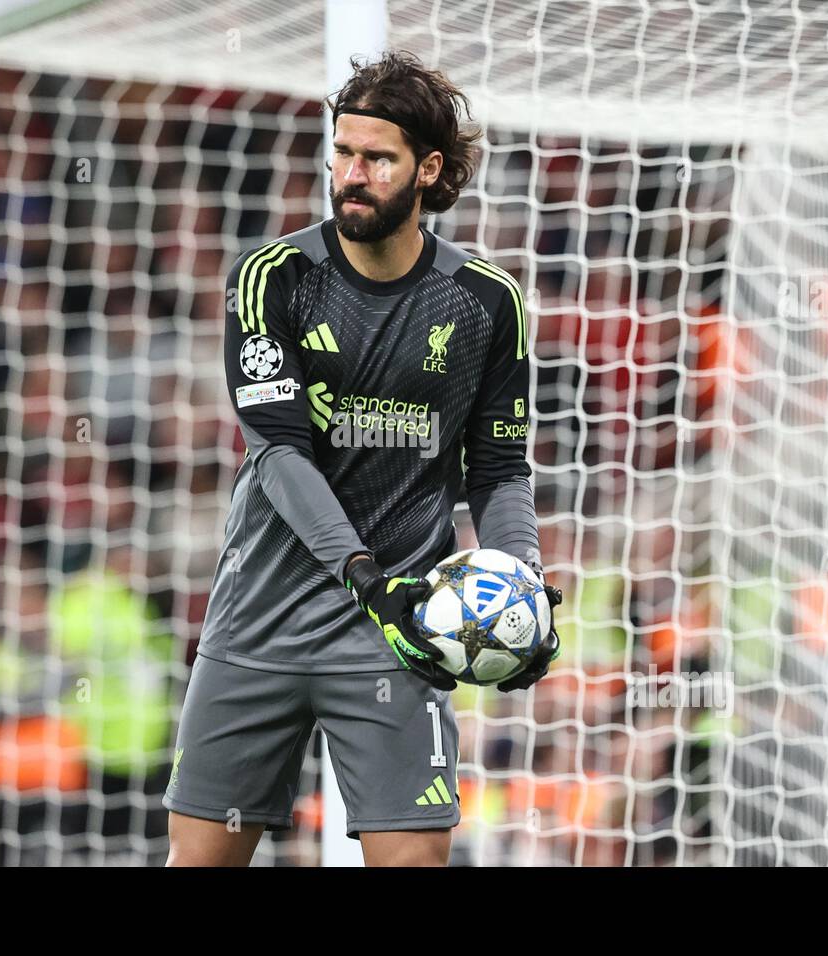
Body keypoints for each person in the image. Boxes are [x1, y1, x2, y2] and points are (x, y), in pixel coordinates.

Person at [163, 50, 560, 867]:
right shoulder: (273, 280)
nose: (352, 174)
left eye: (377, 158)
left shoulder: (488, 302)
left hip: (397, 630)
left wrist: (522, 580)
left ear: (429, 170)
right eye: (343, 153)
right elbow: (278, 453)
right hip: (263, 617)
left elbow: (498, 469)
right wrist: (364, 576)